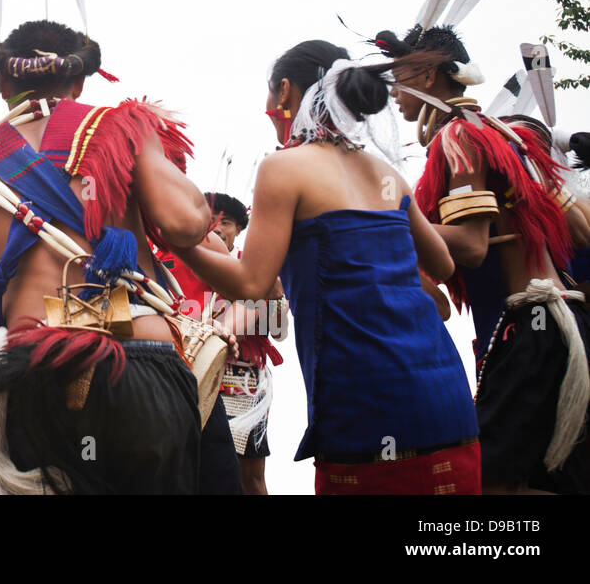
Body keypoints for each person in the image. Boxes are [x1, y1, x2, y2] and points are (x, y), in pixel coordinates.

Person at [0, 19, 225, 494]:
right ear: (80, 82)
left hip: (36, 370)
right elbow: (187, 223)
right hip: (139, 359)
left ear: (2, 84)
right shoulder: (123, 128)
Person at [177, 39, 480, 495]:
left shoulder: (284, 168)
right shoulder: (386, 174)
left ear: (284, 92)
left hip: (363, 395)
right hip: (445, 393)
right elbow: (442, 260)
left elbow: (254, 284)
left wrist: (176, 239)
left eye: (268, 96)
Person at [380, 25, 587, 493]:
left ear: (429, 74)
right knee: (546, 483)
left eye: (399, 76)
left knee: (487, 484)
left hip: (529, 327)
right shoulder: (503, 135)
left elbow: (471, 246)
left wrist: (383, 222)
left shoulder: (459, 136)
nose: (393, 91)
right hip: (564, 320)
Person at [169, 192, 287, 495]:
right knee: (191, 469)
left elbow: (279, 329)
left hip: (241, 381)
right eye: (212, 221)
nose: (219, 228)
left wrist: (272, 295)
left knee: (247, 475)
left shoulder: (258, 269)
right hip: (188, 375)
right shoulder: (173, 263)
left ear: (240, 229)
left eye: (228, 222)